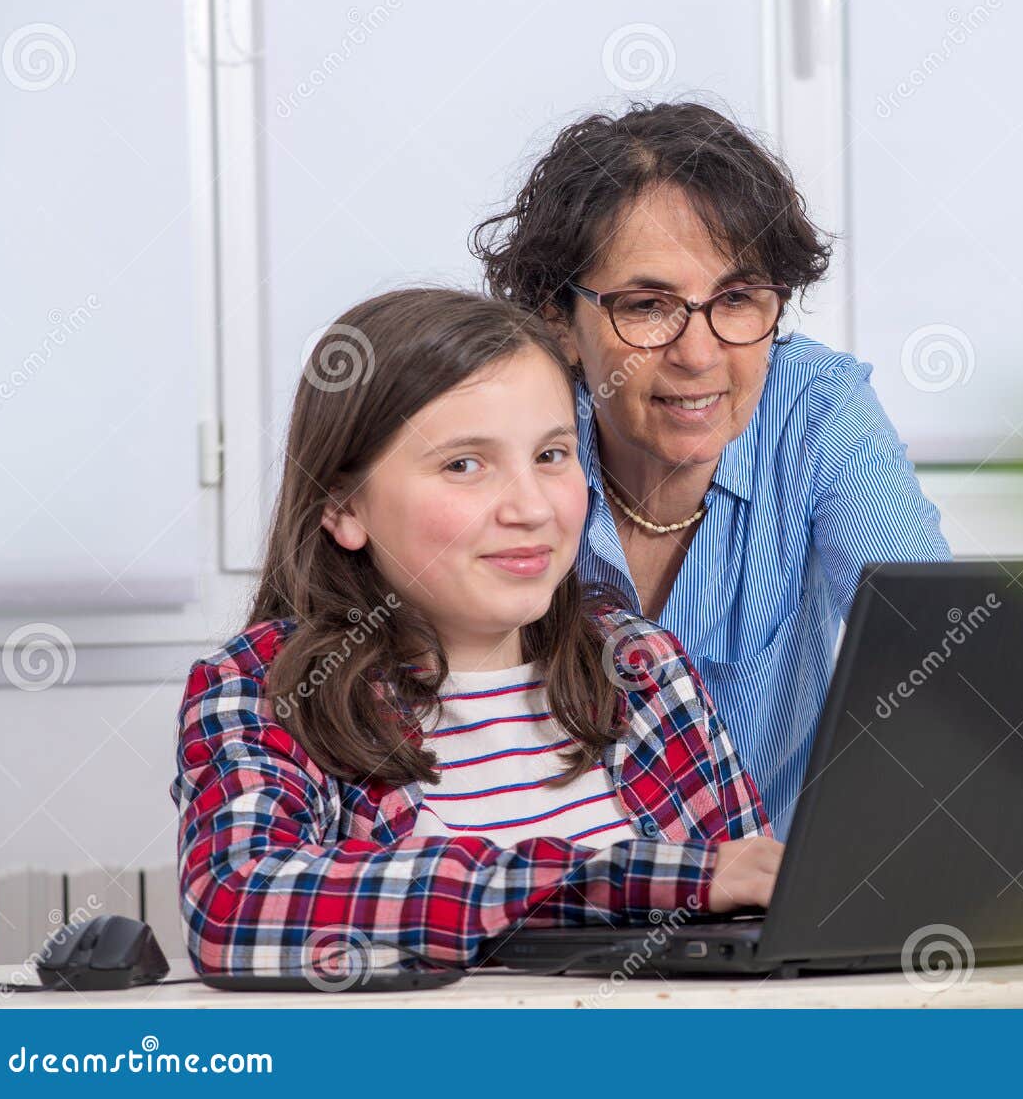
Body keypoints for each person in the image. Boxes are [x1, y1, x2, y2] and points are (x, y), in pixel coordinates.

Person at [170, 288, 777, 977]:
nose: (531, 508)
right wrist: (625, 881)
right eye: (464, 465)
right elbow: (238, 905)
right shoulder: (265, 688)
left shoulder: (642, 667)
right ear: (343, 506)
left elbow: (754, 898)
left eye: (551, 455)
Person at [473, 101, 953, 833]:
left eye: (736, 299)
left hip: (772, 883)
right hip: (559, 885)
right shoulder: (508, 431)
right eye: (647, 305)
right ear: (559, 320)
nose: (698, 356)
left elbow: (938, 652)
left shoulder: (815, 408)